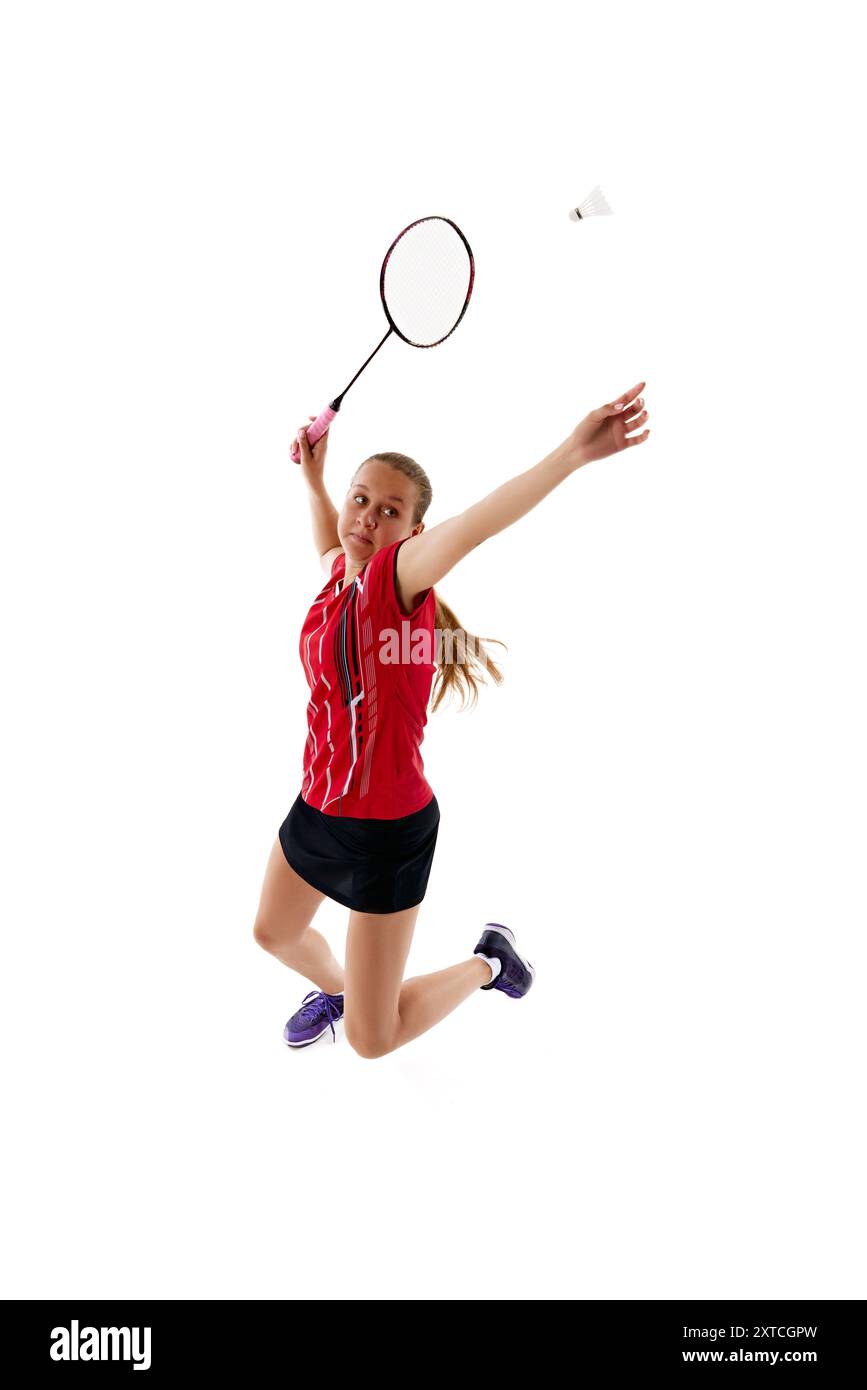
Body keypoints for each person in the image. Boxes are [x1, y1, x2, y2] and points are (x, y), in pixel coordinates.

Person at [253, 383, 650, 1057]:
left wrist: (571, 454)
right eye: (360, 499)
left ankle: (489, 962)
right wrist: (315, 482)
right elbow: (328, 541)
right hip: (318, 808)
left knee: (373, 1043)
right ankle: (344, 991)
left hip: (386, 833)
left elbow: (475, 523)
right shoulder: (337, 580)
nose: (366, 518)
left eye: (388, 511)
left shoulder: (393, 580)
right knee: (273, 933)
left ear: (411, 533)